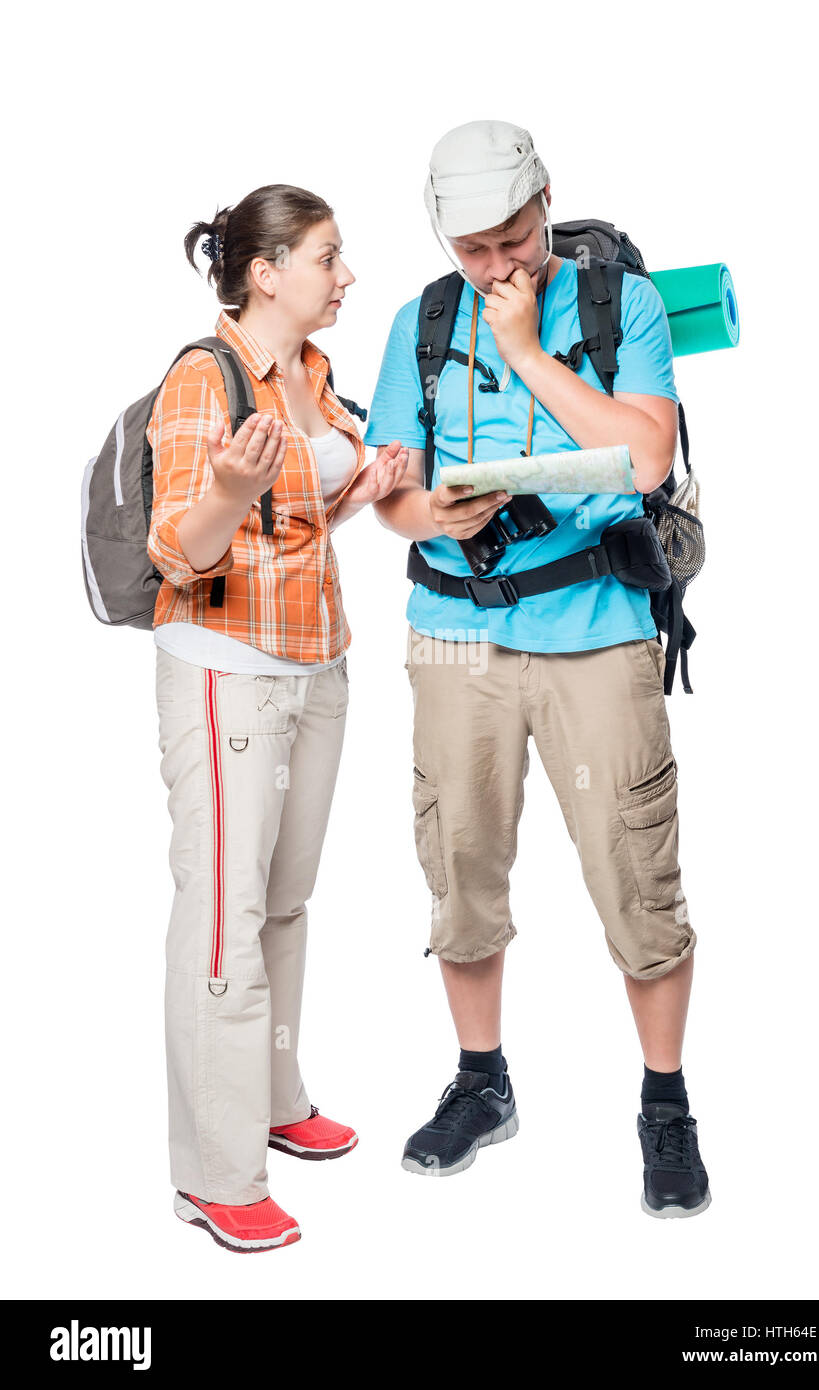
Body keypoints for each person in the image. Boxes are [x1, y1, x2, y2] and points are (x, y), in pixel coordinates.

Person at [365, 122, 710, 1217]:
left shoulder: (624, 307)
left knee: (632, 870)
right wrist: (434, 509)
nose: (498, 266)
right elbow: (393, 500)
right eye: (474, 250)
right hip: (452, 630)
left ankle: (665, 1101)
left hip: (598, 627)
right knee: (458, 861)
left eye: (515, 237)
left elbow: (646, 452)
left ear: (546, 204)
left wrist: (523, 351)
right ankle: (482, 1080)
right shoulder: (419, 322)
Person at [147, 183, 408, 1251]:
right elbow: (182, 548)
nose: (344, 275)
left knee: (285, 904)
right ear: (266, 272)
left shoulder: (313, 372)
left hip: (317, 662)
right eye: (327, 256)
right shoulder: (203, 380)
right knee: (224, 918)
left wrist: (365, 484)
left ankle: (273, 1096)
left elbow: (300, 514)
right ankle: (215, 1173)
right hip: (228, 670)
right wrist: (217, 490)